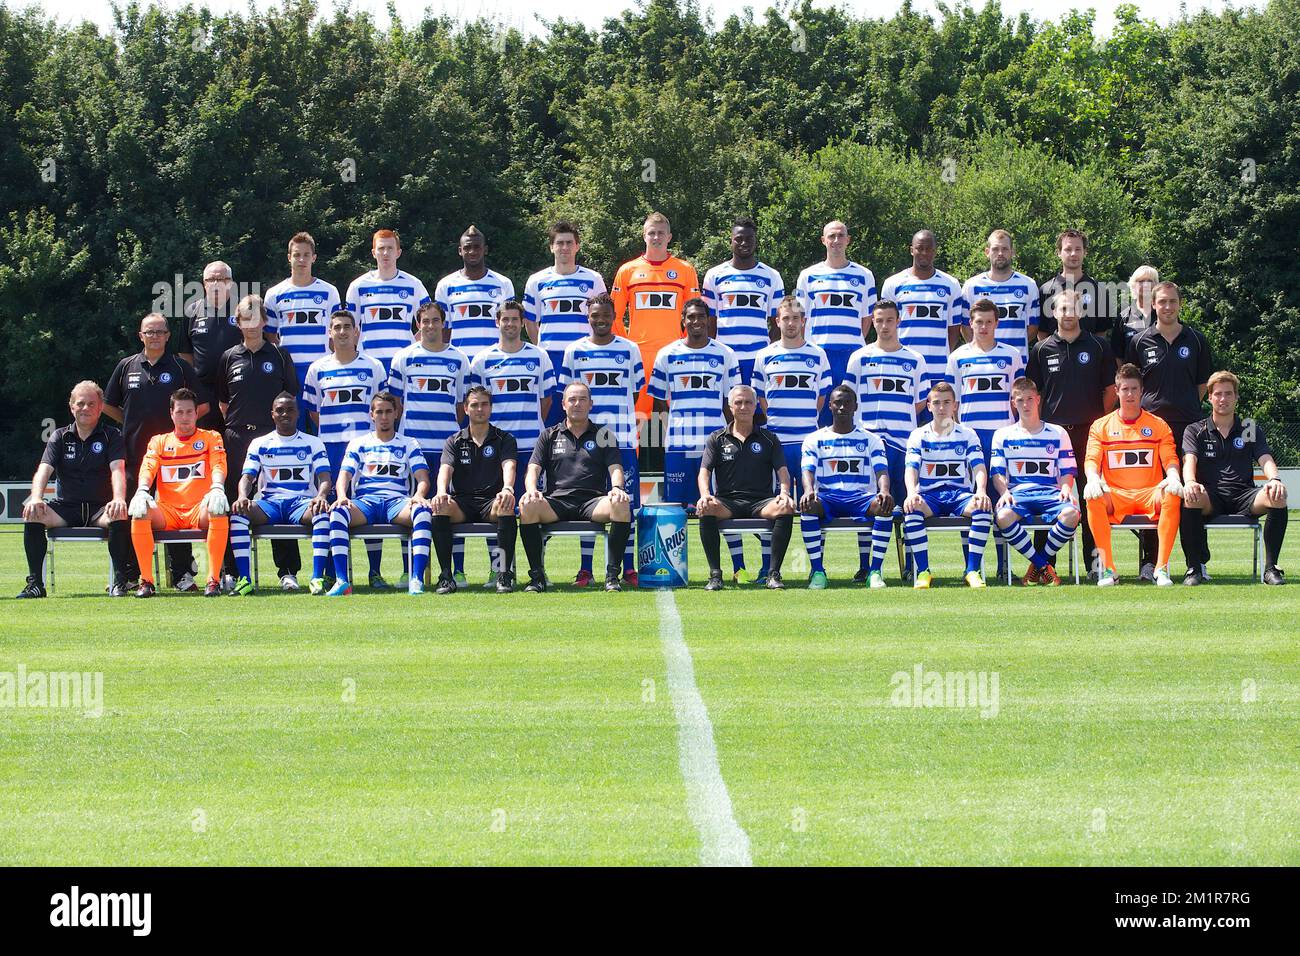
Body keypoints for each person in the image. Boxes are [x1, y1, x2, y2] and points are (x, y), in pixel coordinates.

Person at [104, 311, 206, 590]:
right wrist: (127, 420)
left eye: (160, 332)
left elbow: (202, 404)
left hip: (176, 456)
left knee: (178, 512)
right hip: (136, 456)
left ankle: (182, 573)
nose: (155, 336)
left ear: (168, 336)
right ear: (141, 336)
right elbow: (108, 403)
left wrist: (183, 432)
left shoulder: (179, 366)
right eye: (150, 332)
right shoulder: (126, 366)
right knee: (134, 513)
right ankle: (131, 574)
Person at [1025, 287, 1116, 576]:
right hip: (1051, 437)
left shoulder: (1099, 347)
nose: (1067, 314)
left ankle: (1095, 566)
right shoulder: (1041, 349)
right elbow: (1033, 393)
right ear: (1053, 312)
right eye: (1062, 308)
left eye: (1072, 308)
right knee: (1048, 499)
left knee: (1092, 499)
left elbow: (1110, 390)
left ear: (1081, 312)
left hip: (1089, 435)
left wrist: (1095, 420)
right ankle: (1043, 566)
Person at [648, 299, 743, 575]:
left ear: (708, 319)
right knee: (678, 511)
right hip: (678, 445)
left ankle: (738, 567)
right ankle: (672, 567)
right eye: (691, 317)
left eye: (701, 317)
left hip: (715, 443)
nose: (696, 322)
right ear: (683, 319)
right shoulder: (667, 354)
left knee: (720, 504)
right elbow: (658, 403)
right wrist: (673, 429)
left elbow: (732, 402)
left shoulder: (725, 354)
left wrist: (729, 437)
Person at [1125, 281, 1211, 578]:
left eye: (1173, 301)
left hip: (1189, 427)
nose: (1167, 307)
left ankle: (1195, 562)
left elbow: (1203, 385)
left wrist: (1184, 409)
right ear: (1152, 305)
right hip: (1149, 431)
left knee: (1190, 493)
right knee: (1153, 496)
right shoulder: (1139, 341)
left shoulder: (1197, 340)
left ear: (1180, 304)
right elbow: (1132, 384)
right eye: (1162, 302)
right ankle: (1150, 563)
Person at [215, 294, 300, 589]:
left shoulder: (279, 355)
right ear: (237, 322)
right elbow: (223, 402)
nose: (250, 324)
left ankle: (287, 571)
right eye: (244, 318)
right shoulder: (228, 357)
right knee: (233, 501)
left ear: (264, 321)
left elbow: (289, 397)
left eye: (256, 317)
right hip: (237, 436)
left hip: (272, 437)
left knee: (279, 497)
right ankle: (232, 571)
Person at [559, 293, 644, 586]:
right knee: (589, 504)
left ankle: (628, 568)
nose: (601, 320)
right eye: (595, 315)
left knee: (626, 504)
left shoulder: (630, 350)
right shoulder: (574, 351)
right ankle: (586, 569)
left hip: (620, 439)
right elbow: (568, 394)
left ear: (614, 317)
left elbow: (634, 393)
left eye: (606, 315)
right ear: (588, 317)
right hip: (586, 443)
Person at [468, 300, 555, 584]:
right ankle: (500, 568)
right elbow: (477, 404)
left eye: (515, 319)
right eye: (504, 319)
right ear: (497, 322)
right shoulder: (482, 360)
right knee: (497, 510)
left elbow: (545, 401)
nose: (510, 324)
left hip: (531, 445)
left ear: (522, 322)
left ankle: (537, 569)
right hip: (494, 449)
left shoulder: (539, 356)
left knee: (534, 508)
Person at [518, 382, 634, 593]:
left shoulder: (603, 435)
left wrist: (617, 487)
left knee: (621, 504)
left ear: (591, 404)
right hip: (557, 502)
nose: (577, 404)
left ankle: (612, 576)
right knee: (528, 506)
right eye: (572, 399)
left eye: (582, 399)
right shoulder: (548, 435)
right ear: (563, 404)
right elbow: (533, 469)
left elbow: (616, 467)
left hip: (593, 502)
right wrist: (531, 489)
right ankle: (537, 577)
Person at [18, 382, 130, 598]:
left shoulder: (112, 435)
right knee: (33, 514)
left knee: (120, 512)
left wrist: (118, 498)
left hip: (100, 508)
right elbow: (43, 470)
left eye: (91, 404)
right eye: (80, 404)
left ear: (100, 408)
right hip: (66, 509)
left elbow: (118, 469)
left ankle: (119, 582)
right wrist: (36, 498)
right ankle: (35, 584)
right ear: (72, 407)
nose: (85, 408)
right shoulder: (59, 436)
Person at [304, 309, 391, 587]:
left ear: (357, 332)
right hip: (330, 447)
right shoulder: (317, 369)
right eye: (336, 327)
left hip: (366, 449)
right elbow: (314, 413)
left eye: (347, 327)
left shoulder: (374, 367)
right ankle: (330, 571)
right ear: (329, 333)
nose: (342, 332)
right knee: (332, 508)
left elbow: (380, 407)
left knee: (368, 503)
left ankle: (374, 571)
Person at [846, 299, 929, 582]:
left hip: (903, 445)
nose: (883, 326)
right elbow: (849, 400)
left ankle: (909, 564)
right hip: (868, 444)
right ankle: (864, 564)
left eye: (889, 320)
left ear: (898, 321)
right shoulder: (859, 357)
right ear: (873, 321)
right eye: (878, 320)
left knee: (906, 505)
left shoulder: (915, 359)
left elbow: (920, 403)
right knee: (868, 503)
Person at [388, 302, 470, 583]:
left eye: (436, 321)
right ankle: (411, 569)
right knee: (412, 507)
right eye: (425, 321)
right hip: (414, 445)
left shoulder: (460, 359)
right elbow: (396, 402)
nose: (431, 326)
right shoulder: (403, 357)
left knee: (451, 506)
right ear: (417, 324)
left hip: (448, 445)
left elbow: (462, 405)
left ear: (444, 324)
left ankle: (456, 569)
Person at [1181, 371, 1287, 585]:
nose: (1223, 399)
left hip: (1244, 495)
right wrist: (1191, 482)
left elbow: (1265, 458)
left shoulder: (1249, 428)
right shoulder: (1195, 430)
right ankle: (1194, 568)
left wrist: (1274, 479)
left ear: (1236, 397)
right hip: (1212, 496)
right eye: (1218, 394)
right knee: (1190, 496)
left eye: (1228, 394)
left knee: (1278, 496)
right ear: (1209, 397)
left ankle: (1271, 569)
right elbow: (1189, 461)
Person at [1083, 364, 1182, 587]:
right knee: (1093, 497)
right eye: (1125, 389)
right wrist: (1092, 479)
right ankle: (1109, 569)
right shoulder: (1101, 426)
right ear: (1116, 392)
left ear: (1142, 391)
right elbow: (1092, 459)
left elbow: (1170, 458)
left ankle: (1161, 568)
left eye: (1134, 389)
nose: (1129, 394)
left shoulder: (1158, 425)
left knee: (1173, 495)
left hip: (1149, 494)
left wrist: (1174, 476)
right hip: (1116, 495)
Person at [948, 297, 1025, 579]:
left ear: (997, 324)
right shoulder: (957, 357)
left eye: (988, 322)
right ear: (970, 324)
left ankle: (1004, 566)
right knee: (970, 500)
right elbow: (952, 402)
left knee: (1000, 499)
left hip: (1002, 436)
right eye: (978, 322)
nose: (983, 327)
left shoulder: (1011, 355)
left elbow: (1018, 399)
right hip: (969, 437)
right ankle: (972, 567)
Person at [326, 392, 433, 596]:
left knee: (423, 512)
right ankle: (342, 581)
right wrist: (341, 496)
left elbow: (423, 478)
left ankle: (416, 579)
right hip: (366, 503)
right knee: (338, 512)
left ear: (396, 414)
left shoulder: (409, 443)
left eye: (388, 412)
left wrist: (419, 495)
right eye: (379, 412)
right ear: (371, 415)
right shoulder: (358, 443)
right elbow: (344, 476)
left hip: (397, 503)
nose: (384, 416)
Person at [128, 388, 230, 598]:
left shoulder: (211, 437)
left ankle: (213, 581)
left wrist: (217, 487)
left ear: (196, 413)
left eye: (189, 412)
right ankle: (146, 581)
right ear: (171, 413)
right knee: (140, 511)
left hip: (199, 507)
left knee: (218, 509)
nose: (185, 417)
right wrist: (142, 490)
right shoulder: (159, 441)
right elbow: (149, 466)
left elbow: (219, 464)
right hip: (168, 511)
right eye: (180, 412)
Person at [228, 393, 333, 595]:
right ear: (272, 415)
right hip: (270, 505)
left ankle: (316, 578)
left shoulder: (313, 442)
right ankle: (245, 580)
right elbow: (247, 477)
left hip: (301, 504)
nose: (285, 414)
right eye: (280, 410)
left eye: (290, 410)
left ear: (298, 414)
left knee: (322, 513)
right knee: (238, 514)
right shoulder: (260, 443)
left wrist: (320, 496)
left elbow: (325, 478)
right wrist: (243, 496)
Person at [696, 385, 796, 591]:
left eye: (748, 402)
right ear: (730, 407)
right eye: (738, 402)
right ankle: (715, 576)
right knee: (705, 507)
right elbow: (704, 472)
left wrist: (784, 493)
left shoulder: (769, 438)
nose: (743, 407)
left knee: (785, 507)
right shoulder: (717, 438)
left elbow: (783, 472)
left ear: (756, 405)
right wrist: (705, 495)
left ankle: (773, 573)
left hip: (761, 502)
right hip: (727, 502)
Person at [610, 211, 701, 430]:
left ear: (669, 237)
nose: (656, 237)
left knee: (684, 414)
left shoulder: (684, 270)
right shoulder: (628, 270)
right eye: (652, 233)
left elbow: (695, 315)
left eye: (661, 233)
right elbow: (613, 314)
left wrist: (684, 344)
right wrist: (626, 345)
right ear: (644, 236)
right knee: (635, 419)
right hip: (639, 356)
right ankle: (629, 465)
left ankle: (692, 464)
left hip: (674, 354)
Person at [798, 385, 892, 589]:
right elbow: (807, 470)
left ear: (855, 406)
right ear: (830, 406)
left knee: (884, 505)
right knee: (808, 505)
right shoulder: (815, 439)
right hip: (828, 497)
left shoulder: (871, 439)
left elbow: (882, 471)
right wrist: (808, 490)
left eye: (847, 402)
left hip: (861, 498)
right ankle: (818, 571)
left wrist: (884, 491)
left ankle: (874, 571)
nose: (842, 407)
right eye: (837, 402)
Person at [989, 378, 1080, 586]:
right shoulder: (1002, 435)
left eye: (1030, 399)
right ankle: (1042, 565)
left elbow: (1067, 470)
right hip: (1018, 493)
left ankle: (1037, 565)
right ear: (1013, 402)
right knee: (1002, 516)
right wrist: (1004, 492)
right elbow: (997, 473)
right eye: (1020, 400)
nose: (1026, 404)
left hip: (1050, 493)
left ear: (1038, 400)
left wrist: (1066, 488)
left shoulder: (1058, 433)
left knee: (1072, 514)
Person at [902, 383, 993, 589]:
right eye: (936, 403)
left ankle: (972, 570)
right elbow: (911, 468)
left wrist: (980, 491)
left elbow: (978, 466)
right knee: (911, 509)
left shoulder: (967, 434)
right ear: (928, 406)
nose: (941, 407)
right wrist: (910, 493)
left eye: (946, 402)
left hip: (960, 495)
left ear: (955, 406)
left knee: (983, 508)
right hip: (930, 495)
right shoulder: (918, 435)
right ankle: (924, 571)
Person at [430, 386, 519, 594]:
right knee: (440, 507)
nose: (480, 409)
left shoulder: (505, 438)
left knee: (506, 505)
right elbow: (445, 468)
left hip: (492, 502)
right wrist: (441, 491)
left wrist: (507, 488)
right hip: (462, 503)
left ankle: (503, 573)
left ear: (491, 408)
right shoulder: (454, 440)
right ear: (466, 408)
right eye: (475, 405)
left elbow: (509, 465)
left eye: (484, 404)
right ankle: (446, 576)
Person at [523, 220, 606, 426]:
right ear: (552, 247)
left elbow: (604, 316)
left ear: (577, 246)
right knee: (552, 411)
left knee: (583, 409)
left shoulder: (593, 278)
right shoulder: (537, 280)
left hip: (584, 356)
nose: (565, 248)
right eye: (560, 243)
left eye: (569, 243)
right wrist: (542, 350)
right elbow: (530, 320)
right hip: (551, 357)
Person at [793, 220, 875, 425]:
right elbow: (801, 316)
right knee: (821, 408)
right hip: (820, 352)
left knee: (852, 406)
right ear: (823, 240)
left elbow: (867, 318)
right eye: (831, 236)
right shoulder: (807, 276)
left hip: (852, 353)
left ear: (848, 240)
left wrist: (852, 342)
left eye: (840, 236)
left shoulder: (864, 275)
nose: (836, 240)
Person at [263, 231, 342, 428]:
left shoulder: (329, 292)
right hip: (290, 371)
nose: (301, 259)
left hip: (322, 369)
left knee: (322, 427)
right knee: (292, 427)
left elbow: (336, 333)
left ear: (314, 258)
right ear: (289, 258)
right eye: (297, 255)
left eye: (306, 255)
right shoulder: (275, 294)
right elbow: (270, 335)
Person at [880, 230, 965, 396]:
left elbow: (954, 329)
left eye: (929, 248)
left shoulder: (951, 284)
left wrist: (940, 354)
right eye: (920, 248)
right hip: (903, 365)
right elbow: (886, 325)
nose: (924, 253)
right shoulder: (893, 284)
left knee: (939, 420)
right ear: (912, 250)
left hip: (938, 368)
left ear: (935, 251)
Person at [702, 217, 784, 385]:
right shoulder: (714, 275)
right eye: (739, 239)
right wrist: (712, 353)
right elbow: (709, 321)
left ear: (756, 241)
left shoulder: (771, 276)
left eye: (749, 239)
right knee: (727, 408)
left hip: (758, 357)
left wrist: (768, 353)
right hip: (725, 357)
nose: (744, 243)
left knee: (759, 409)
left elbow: (777, 322)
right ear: (730, 241)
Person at [346, 229, 431, 373]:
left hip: (404, 364)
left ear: (398, 252)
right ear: (374, 253)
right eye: (381, 248)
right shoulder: (358, 286)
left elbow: (430, 322)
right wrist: (363, 347)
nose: (385, 253)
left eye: (390, 248)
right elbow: (349, 328)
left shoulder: (413, 284)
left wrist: (411, 346)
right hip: (369, 364)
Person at [177, 260, 245, 430]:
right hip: (204, 391)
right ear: (203, 284)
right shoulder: (191, 311)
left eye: (221, 279)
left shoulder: (243, 309)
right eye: (211, 280)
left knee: (236, 440)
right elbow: (185, 353)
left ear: (231, 283)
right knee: (205, 441)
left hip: (237, 387)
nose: (216, 284)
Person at [436, 225, 515, 361]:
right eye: (467, 248)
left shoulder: (503, 284)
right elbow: (443, 330)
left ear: (485, 250)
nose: (472, 251)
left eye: (477, 247)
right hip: (460, 362)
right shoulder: (446, 285)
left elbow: (511, 327)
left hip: (495, 361)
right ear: (460, 251)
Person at [961, 230, 1039, 363]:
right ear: (987, 252)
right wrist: (982, 348)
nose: (1000, 253)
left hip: (1017, 364)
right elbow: (965, 327)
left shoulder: (1028, 285)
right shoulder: (971, 286)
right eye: (995, 249)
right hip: (981, 363)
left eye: (1005, 249)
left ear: (1012, 252)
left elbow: (1033, 328)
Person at [1037, 229, 1115, 339]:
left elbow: (1101, 333)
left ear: (1085, 252)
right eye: (1068, 249)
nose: (1073, 254)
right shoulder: (1045, 290)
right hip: (1056, 355)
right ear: (1059, 253)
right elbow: (1042, 333)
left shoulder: (1099, 290)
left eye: (1078, 249)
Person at [1112, 265, 1158, 363]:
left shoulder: (1163, 314)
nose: (1145, 285)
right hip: (1132, 376)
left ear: (1156, 285)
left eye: (1149, 281)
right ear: (1133, 285)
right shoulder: (1123, 318)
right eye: (1141, 281)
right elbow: (1117, 355)